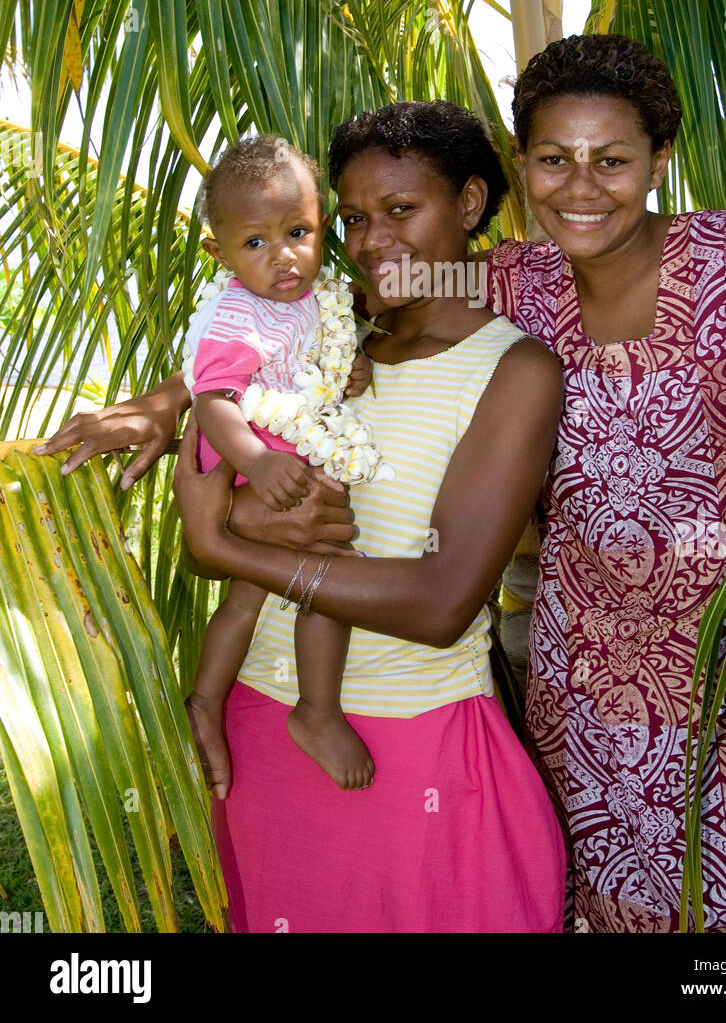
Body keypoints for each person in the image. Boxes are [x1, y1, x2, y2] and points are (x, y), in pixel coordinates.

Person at [42, 104, 567, 933]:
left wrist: (224, 541)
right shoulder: (334, 331)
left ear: (469, 203)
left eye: (401, 211)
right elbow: (234, 380)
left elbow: (438, 604)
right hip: (261, 719)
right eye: (354, 218)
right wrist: (159, 408)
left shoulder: (515, 369)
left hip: (408, 737)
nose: (371, 242)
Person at [482, 32, 726, 932]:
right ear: (522, 163)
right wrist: (181, 394)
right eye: (553, 159)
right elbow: (333, 326)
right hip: (582, 685)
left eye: (612, 160)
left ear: (660, 160)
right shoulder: (510, 286)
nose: (580, 187)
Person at [182, 135, 377, 794]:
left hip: (283, 452)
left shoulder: (318, 296)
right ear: (221, 253)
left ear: (322, 225)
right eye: (256, 243)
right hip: (252, 459)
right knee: (331, 576)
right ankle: (316, 712)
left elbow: (319, 359)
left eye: (297, 231)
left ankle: (206, 701)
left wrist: (348, 366)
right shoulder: (238, 313)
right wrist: (258, 465)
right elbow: (211, 401)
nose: (284, 256)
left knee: (246, 598)